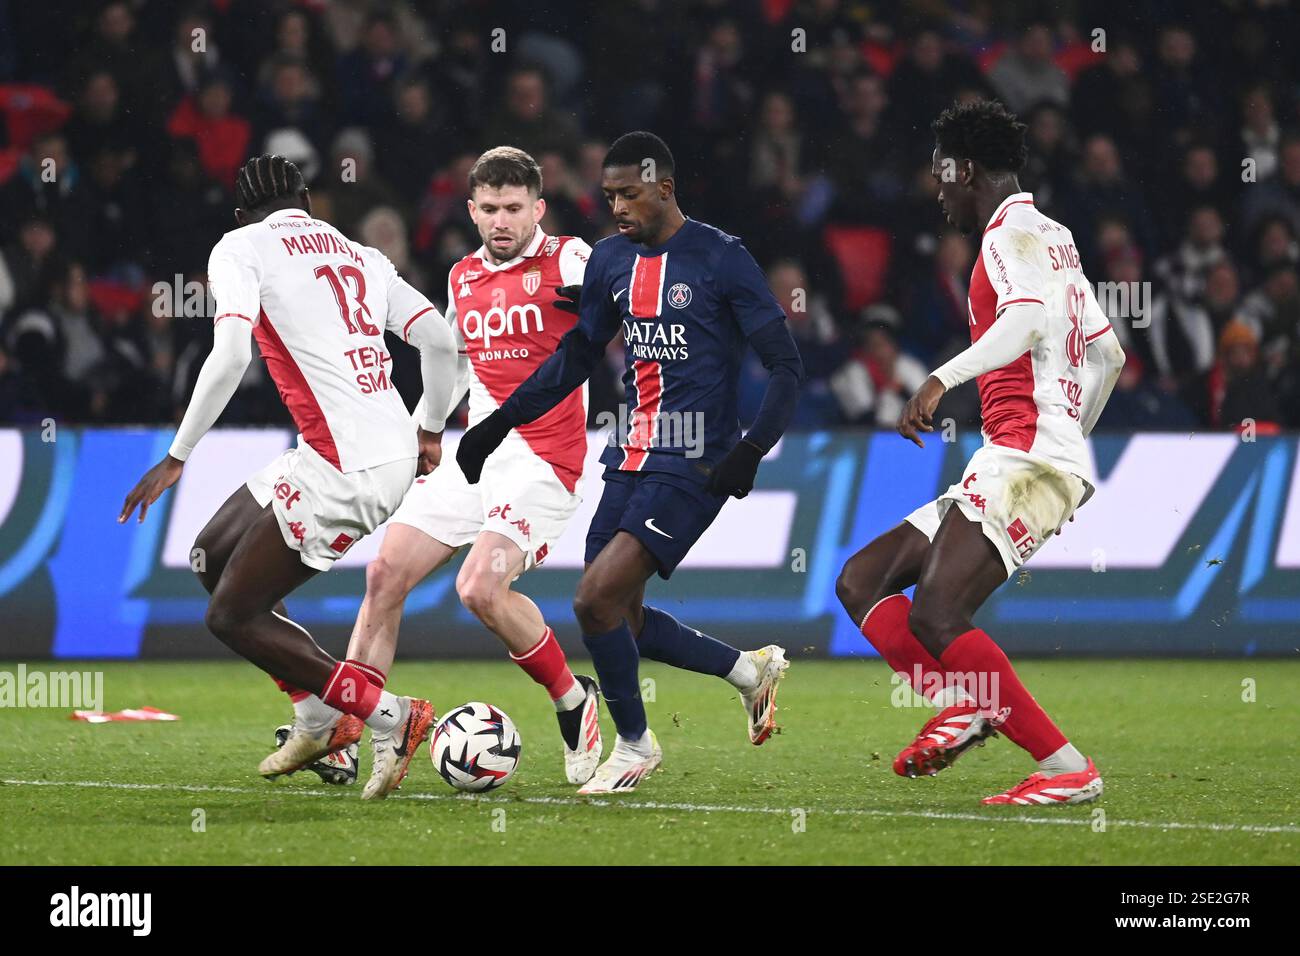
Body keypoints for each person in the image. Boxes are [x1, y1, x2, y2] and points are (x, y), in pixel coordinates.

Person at [456, 132, 804, 794]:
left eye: (629, 193)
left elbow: (786, 365)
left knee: (593, 600)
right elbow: (577, 356)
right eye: (609, 194)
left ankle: (636, 745)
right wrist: (497, 424)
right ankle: (749, 673)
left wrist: (751, 449)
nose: (616, 206)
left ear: (664, 188)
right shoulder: (613, 260)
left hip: (696, 458)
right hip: (629, 454)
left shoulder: (721, 257)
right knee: (621, 618)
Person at [118, 155, 459, 800]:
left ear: (242, 212)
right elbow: (442, 342)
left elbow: (230, 353)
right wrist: (431, 429)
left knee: (229, 616)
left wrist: (178, 455)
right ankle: (316, 716)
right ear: (307, 199)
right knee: (209, 556)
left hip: (345, 466)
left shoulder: (240, 246)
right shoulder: (360, 253)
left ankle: (388, 716)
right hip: (360, 451)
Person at [276, 146, 605, 790]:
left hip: (544, 459)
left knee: (480, 587)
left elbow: (620, 300)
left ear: (538, 208)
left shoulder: (570, 259)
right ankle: (372, 730)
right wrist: (426, 427)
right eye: (490, 209)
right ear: (472, 210)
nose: (502, 221)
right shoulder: (462, 276)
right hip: (474, 454)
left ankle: (573, 700)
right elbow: (454, 364)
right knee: (384, 572)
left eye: (515, 208)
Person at [835, 101, 1126, 806]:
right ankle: (966, 704)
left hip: (1024, 459)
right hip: (1026, 456)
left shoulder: (1006, 235)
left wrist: (939, 378)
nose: (938, 194)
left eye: (942, 178)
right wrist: (1070, 451)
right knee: (861, 580)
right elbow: (1109, 354)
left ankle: (1066, 768)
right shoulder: (1053, 235)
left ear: (966, 170)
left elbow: (1024, 321)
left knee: (936, 614)